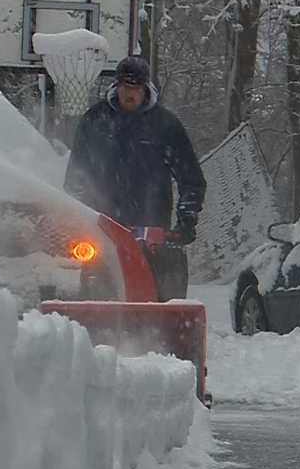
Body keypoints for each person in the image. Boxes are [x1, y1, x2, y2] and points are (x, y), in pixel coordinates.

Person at [64, 56, 206, 300]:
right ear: (116, 86)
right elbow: (77, 176)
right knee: (98, 296)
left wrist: (186, 221)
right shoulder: (96, 121)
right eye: (125, 88)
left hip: (153, 233)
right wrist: (80, 217)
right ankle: (99, 332)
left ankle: (161, 331)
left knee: (164, 295)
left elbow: (191, 178)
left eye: (136, 89)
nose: (130, 94)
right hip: (105, 231)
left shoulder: (164, 125)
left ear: (145, 89)